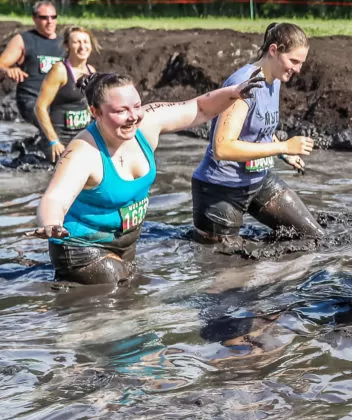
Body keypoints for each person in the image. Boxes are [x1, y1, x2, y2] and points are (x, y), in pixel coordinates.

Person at [31, 71, 266, 284]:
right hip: (82, 248)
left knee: (131, 298)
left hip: (123, 243)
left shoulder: (147, 124)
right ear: (95, 112)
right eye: (121, 111)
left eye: (136, 106)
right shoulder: (83, 152)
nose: (133, 116)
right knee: (132, 293)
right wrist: (51, 224)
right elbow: (55, 199)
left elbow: (199, 108)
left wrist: (233, 93)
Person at [191, 23, 323, 242]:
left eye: (301, 63)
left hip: (258, 180)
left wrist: (284, 154)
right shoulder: (245, 84)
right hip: (221, 190)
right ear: (274, 50)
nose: (298, 69)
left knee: (313, 237)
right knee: (224, 267)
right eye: (294, 61)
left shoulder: (275, 79)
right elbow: (223, 147)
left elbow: (258, 129)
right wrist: (283, 145)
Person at [33, 26, 98, 162]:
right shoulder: (59, 70)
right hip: (59, 140)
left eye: (86, 42)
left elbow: (90, 107)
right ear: (67, 46)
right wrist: (54, 141)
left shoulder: (91, 71)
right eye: (77, 42)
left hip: (82, 138)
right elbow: (40, 107)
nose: (82, 47)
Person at [0, 1, 63, 139]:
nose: (50, 21)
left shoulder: (64, 43)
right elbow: (1, 64)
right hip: (31, 99)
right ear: (34, 18)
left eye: (53, 17)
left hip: (57, 100)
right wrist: (8, 70)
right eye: (44, 18)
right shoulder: (24, 40)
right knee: (50, 122)